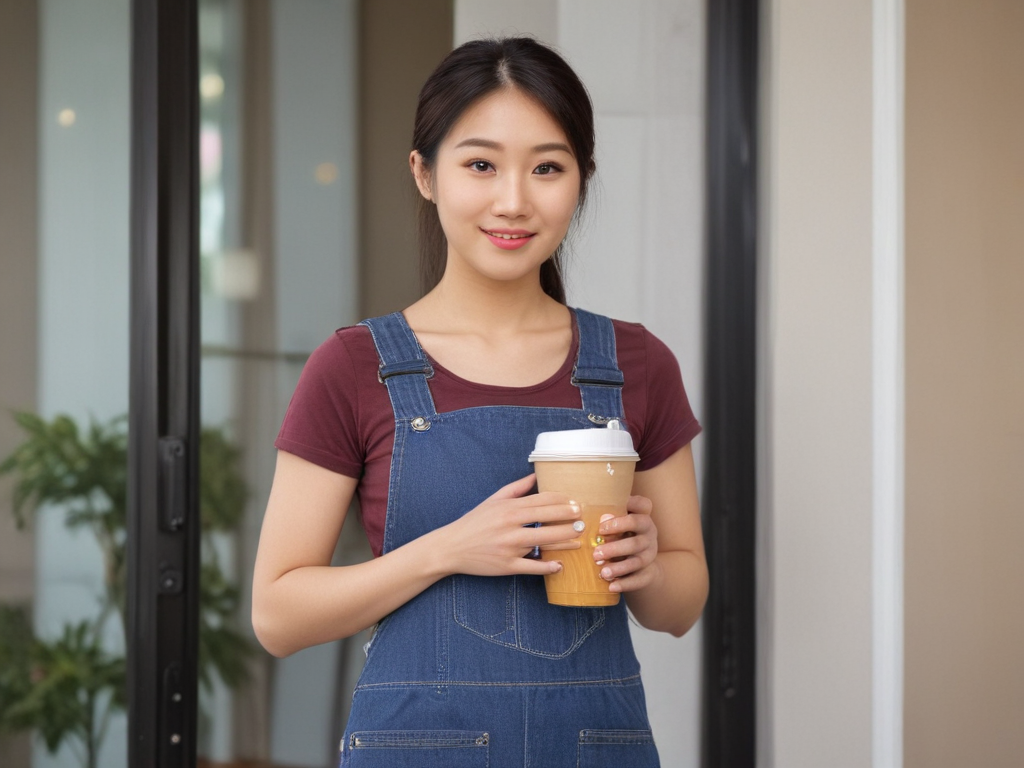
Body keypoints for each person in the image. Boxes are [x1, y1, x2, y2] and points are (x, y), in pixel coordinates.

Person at [252, 37, 707, 768]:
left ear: (581, 179)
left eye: (547, 168)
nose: (513, 201)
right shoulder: (353, 367)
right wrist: (450, 550)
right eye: (480, 164)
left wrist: (649, 566)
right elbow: (277, 615)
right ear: (424, 173)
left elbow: (680, 608)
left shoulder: (637, 365)